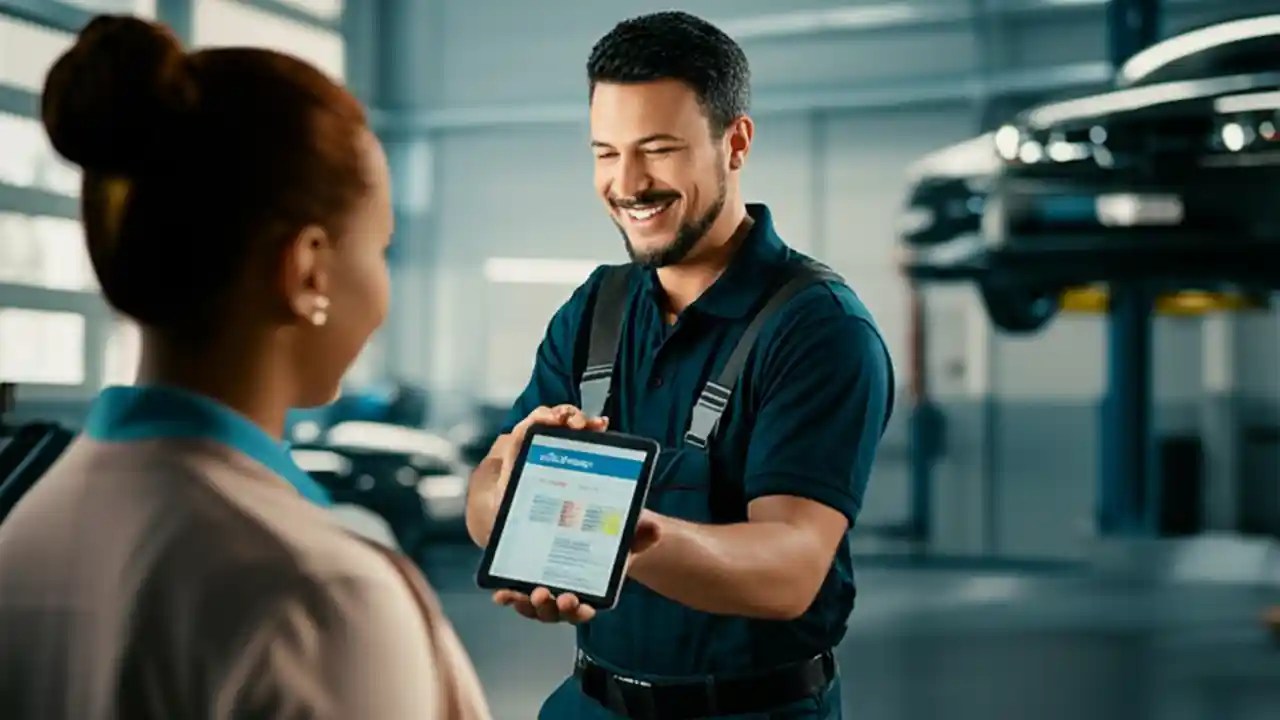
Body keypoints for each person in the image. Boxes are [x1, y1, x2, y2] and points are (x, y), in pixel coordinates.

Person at [0, 15, 490, 720]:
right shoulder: (318, 594)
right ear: (308, 269)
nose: (382, 297)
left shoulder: (28, 534)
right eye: (378, 249)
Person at [464, 10, 894, 720]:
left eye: (658, 149)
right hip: (589, 702)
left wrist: (622, 540)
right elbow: (488, 495)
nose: (627, 183)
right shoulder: (595, 311)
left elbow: (789, 569)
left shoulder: (819, 330)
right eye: (606, 152)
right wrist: (515, 489)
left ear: (736, 143)